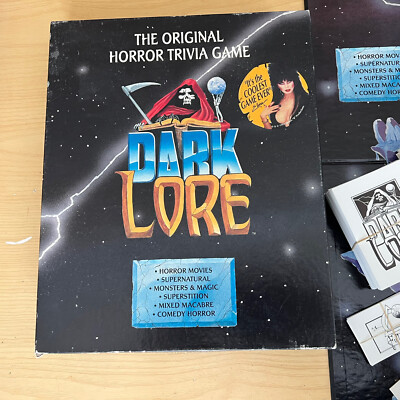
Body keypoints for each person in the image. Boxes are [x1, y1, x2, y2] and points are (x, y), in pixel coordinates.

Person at [260, 65, 309, 129]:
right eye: (281, 83)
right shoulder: (274, 104)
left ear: (295, 81)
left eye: (289, 81)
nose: (286, 86)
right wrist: (263, 117)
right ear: (276, 85)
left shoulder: (305, 99)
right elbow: (272, 131)